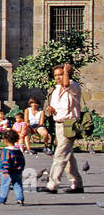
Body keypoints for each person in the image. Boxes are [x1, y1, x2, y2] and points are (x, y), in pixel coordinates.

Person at [43, 63, 84, 194]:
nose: (58, 78)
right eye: (56, 75)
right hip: (58, 124)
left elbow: (66, 84)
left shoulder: (73, 86)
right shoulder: (55, 90)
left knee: (60, 154)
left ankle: (52, 184)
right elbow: (57, 108)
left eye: (60, 74)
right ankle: (77, 183)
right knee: (68, 154)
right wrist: (52, 110)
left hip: (69, 125)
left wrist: (66, 72)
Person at [0, 129, 26, 205]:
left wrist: (5, 171)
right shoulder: (18, 150)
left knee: (5, 185)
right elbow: (22, 161)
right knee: (18, 185)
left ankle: (2, 199)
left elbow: (5, 161)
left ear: (6, 140)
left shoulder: (6, 151)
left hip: (9, 171)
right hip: (18, 171)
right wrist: (21, 168)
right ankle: (20, 198)